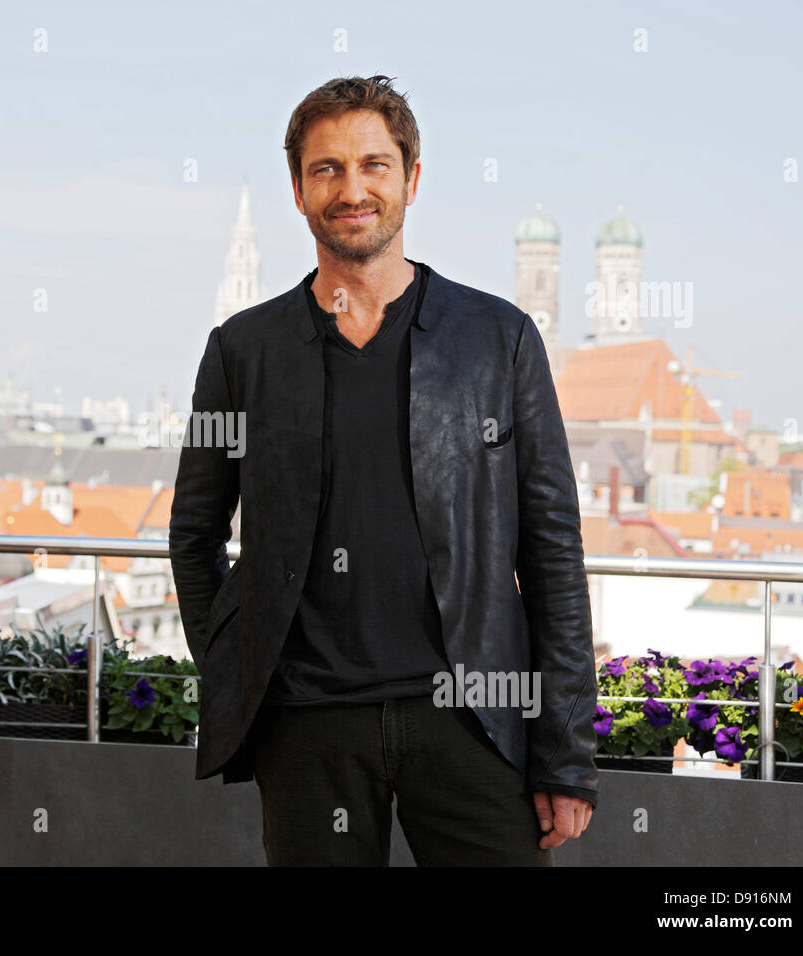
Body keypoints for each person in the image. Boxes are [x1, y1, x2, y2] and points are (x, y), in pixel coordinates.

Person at [169, 75, 597, 866]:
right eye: (326, 169)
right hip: (308, 728)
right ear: (298, 190)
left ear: (411, 178)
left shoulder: (498, 339)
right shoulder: (242, 351)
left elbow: (552, 553)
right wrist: (240, 674)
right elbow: (194, 536)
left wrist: (565, 752)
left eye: (373, 164)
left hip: (476, 719)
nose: (352, 189)